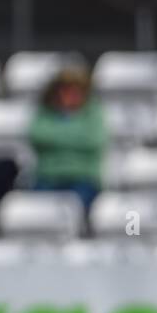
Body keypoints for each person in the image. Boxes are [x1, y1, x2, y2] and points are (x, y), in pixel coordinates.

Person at [27, 67, 107, 210]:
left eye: (74, 90)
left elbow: (94, 139)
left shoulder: (93, 112)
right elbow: (37, 135)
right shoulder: (45, 111)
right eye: (64, 90)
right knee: (34, 209)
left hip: (83, 181)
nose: (69, 95)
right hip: (48, 179)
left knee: (76, 206)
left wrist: (56, 136)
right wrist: (76, 136)